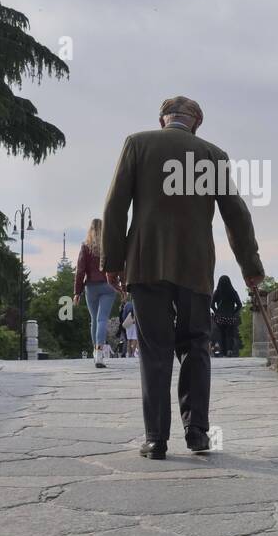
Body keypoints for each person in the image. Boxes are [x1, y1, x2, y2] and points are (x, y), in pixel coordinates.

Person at [102, 95, 264, 460]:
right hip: (195, 266)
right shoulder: (212, 155)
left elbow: (114, 206)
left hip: (146, 264)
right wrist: (251, 269)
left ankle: (156, 439)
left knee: (155, 351)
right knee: (195, 345)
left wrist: (112, 261)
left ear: (163, 120)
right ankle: (197, 434)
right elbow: (235, 214)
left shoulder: (137, 144)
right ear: (197, 123)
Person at [74, 218, 117, 369]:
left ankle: (96, 352)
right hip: (108, 286)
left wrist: (77, 292)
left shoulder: (86, 247)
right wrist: (122, 286)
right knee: (102, 319)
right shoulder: (109, 245)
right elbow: (118, 265)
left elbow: (80, 271)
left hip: (91, 287)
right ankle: (100, 352)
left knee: (94, 319)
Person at [211, 275, 242, 357]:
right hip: (230, 317)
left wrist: (216, 311)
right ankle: (229, 350)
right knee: (230, 334)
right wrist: (233, 312)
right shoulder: (233, 292)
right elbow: (239, 305)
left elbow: (211, 305)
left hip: (220, 317)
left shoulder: (217, 292)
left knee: (221, 334)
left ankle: (223, 352)